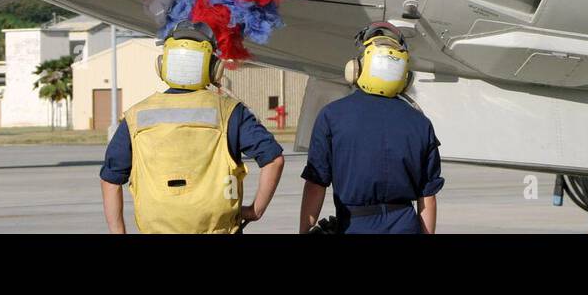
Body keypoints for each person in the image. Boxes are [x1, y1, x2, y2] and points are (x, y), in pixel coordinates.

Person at [99, 21, 285, 234]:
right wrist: (255, 210)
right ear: (215, 68)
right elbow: (274, 160)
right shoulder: (230, 111)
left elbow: (111, 180)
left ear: (162, 65)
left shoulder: (136, 115)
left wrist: (118, 231)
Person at [299, 22, 444, 234]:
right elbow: (427, 197)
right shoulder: (421, 123)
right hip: (405, 224)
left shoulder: (332, 116)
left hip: (353, 225)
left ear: (357, 69)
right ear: (405, 77)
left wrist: (304, 230)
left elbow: (316, 185)